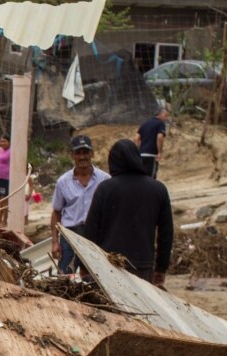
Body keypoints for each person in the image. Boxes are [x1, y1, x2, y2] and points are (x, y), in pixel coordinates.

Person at [85, 139, 173, 286]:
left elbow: (91, 230)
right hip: (143, 266)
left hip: (108, 265)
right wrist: (161, 268)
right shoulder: (158, 189)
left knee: (108, 308)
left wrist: (85, 265)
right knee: (140, 307)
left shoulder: (105, 189)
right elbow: (166, 234)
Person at [50, 135, 110, 274]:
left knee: (96, 276)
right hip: (70, 235)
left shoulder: (105, 180)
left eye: (85, 152)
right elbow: (56, 212)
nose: (82, 157)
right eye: (78, 153)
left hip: (95, 235)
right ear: (72, 155)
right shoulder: (63, 181)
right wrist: (54, 242)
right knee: (65, 276)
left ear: (92, 154)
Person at [135, 104, 169, 179]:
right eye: (166, 116)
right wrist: (159, 152)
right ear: (161, 114)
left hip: (141, 154)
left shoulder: (145, 124)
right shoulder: (160, 124)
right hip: (151, 155)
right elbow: (160, 137)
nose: (166, 118)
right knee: (151, 178)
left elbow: (137, 138)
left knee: (141, 176)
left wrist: (137, 150)